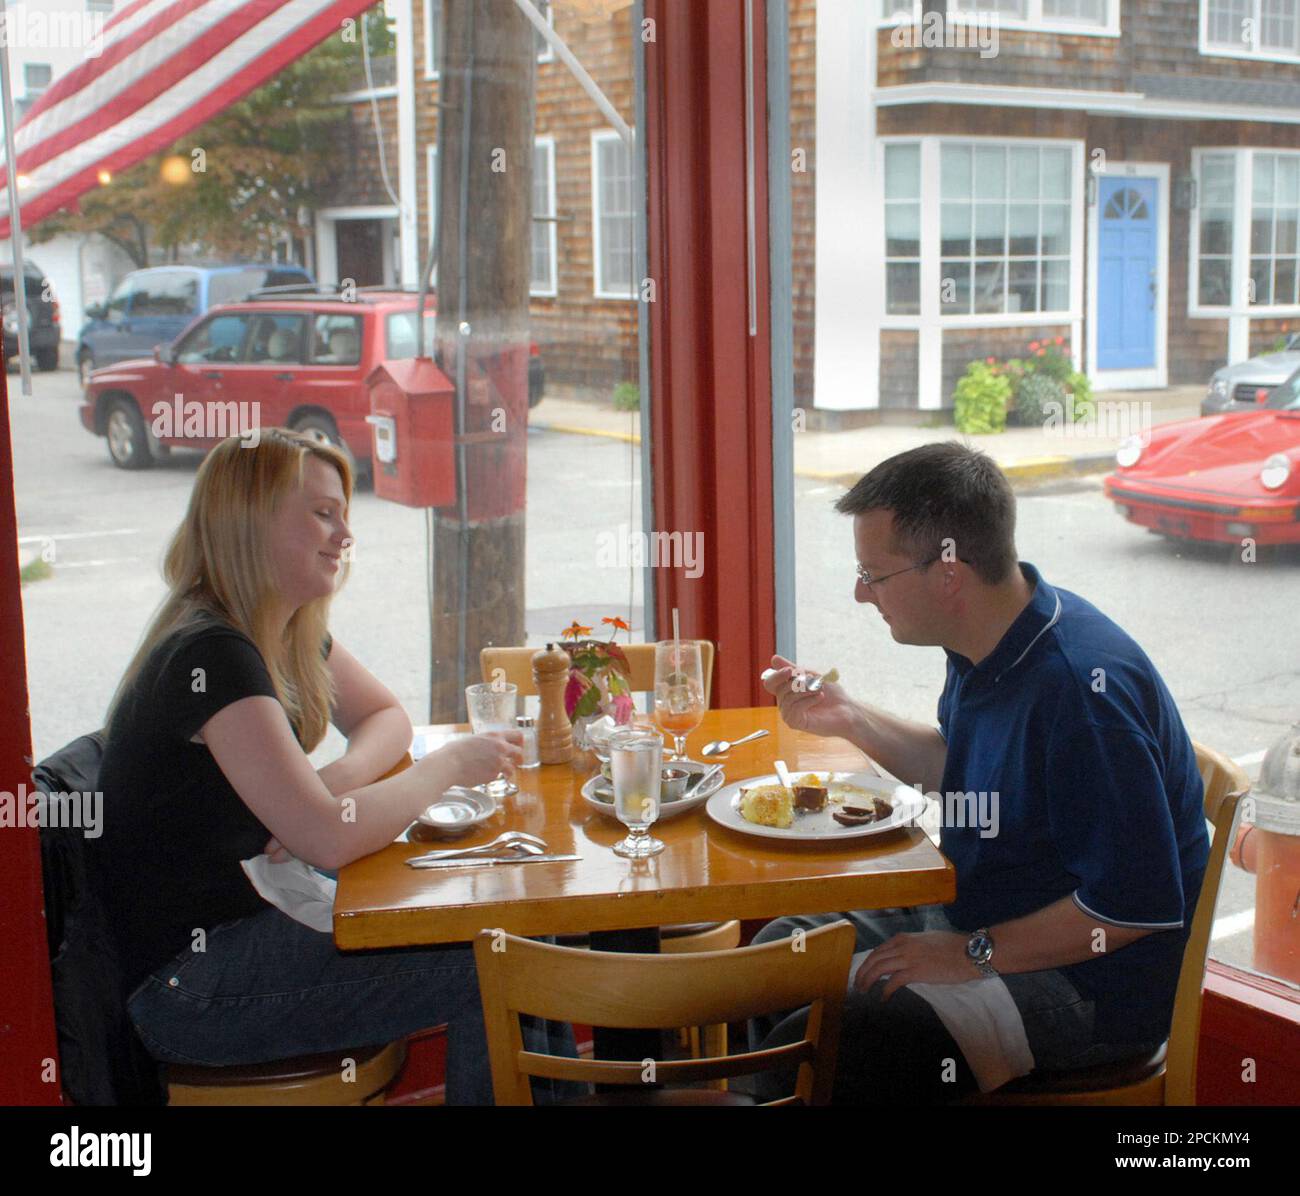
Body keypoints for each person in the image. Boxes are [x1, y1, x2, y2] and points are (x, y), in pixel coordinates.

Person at [92, 428, 566, 1105]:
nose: (345, 533)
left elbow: (385, 718)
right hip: (190, 986)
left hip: (252, 926)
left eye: (344, 514)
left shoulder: (283, 627)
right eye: (321, 512)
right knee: (498, 962)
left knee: (521, 931)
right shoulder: (212, 653)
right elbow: (333, 839)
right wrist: (450, 765)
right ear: (250, 521)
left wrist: (328, 788)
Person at [751, 442, 1210, 1104]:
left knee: (825, 1046)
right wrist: (848, 716)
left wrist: (969, 953)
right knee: (776, 958)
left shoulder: (1081, 695)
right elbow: (968, 773)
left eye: (872, 574)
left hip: (1089, 986)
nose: (859, 593)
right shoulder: (991, 635)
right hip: (988, 911)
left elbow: (1135, 907)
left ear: (948, 574)